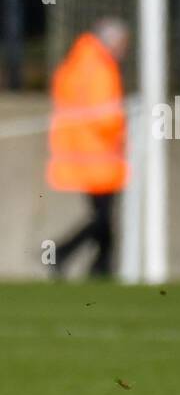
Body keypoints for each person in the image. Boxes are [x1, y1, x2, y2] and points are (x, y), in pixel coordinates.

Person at [47, 18, 130, 278]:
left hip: (78, 153)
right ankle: (64, 253)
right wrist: (122, 131)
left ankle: (100, 266)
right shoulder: (100, 69)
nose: (124, 51)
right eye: (123, 44)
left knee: (103, 216)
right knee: (102, 217)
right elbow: (105, 116)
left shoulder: (72, 65)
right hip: (99, 154)